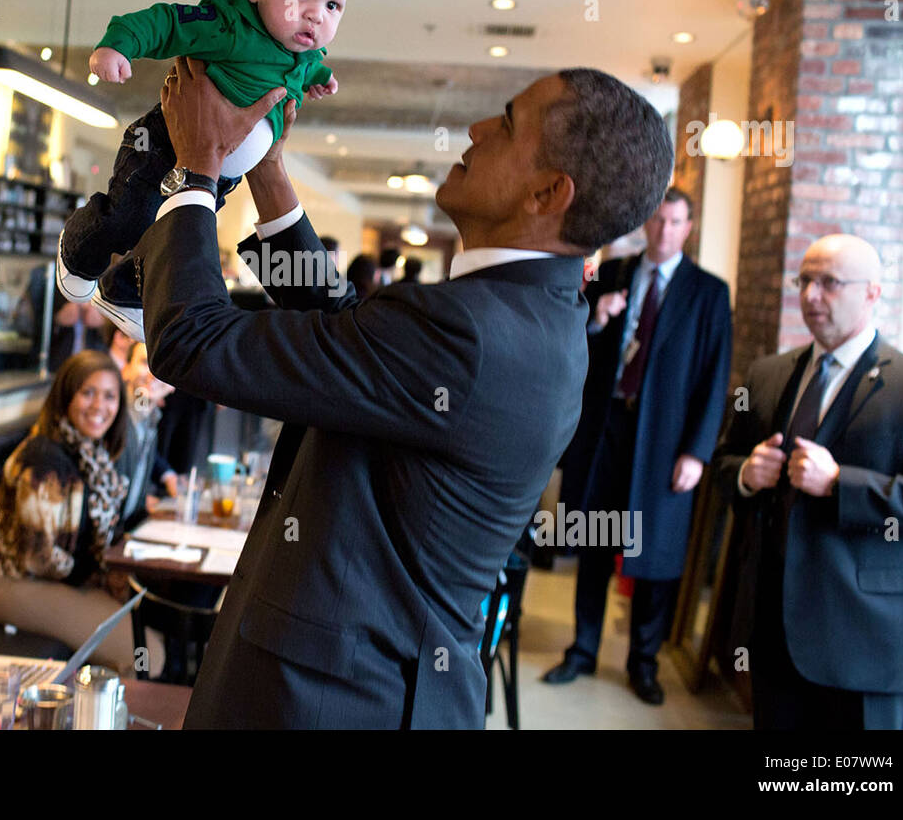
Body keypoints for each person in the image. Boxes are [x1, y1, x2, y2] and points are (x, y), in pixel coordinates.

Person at [121, 57, 672, 728]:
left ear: (548, 193)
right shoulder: (537, 317)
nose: (474, 128)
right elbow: (357, 338)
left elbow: (195, 342)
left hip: (334, 701)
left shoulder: (471, 331)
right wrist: (265, 170)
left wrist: (196, 172)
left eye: (505, 123)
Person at [57, 0, 351, 340]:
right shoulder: (227, 26)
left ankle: (122, 293)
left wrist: (321, 78)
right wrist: (118, 45)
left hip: (217, 177)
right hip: (162, 147)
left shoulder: (304, 56)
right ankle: (80, 252)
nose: (317, 15)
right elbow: (167, 21)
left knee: (168, 241)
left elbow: (336, 322)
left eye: (333, 5)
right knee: (130, 218)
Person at [714, 234, 903, 730]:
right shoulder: (767, 375)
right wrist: (747, 475)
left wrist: (841, 484)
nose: (812, 296)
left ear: (872, 293)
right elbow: (724, 461)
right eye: (805, 281)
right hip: (776, 628)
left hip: (868, 639)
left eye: (830, 283)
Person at [543, 187, 733, 704]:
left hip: (665, 444)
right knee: (594, 544)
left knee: (652, 552)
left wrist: (697, 452)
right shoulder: (613, 273)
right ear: (645, 223)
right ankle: (582, 650)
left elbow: (716, 378)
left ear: (687, 228)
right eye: (657, 221)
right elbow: (565, 342)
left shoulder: (708, 292)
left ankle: (642, 662)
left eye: (675, 223)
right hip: (606, 431)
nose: (664, 231)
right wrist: (597, 318)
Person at [0, 350, 163, 675]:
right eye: (87, 392)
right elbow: (39, 558)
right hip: (6, 580)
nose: (98, 406)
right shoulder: (43, 460)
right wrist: (100, 578)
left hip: (53, 576)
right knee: (148, 654)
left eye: (109, 396)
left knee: (151, 628)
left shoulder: (93, 453)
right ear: (65, 396)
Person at [116, 342, 179, 529]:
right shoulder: (114, 419)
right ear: (126, 371)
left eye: (161, 367)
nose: (153, 374)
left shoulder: (149, 418)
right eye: (145, 363)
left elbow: (142, 409)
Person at [21, 263, 105, 371]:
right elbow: (28, 325)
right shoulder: (48, 276)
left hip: (91, 366)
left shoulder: (103, 278)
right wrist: (57, 320)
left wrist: (102, 322)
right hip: (54, 363)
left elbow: (113, 334)